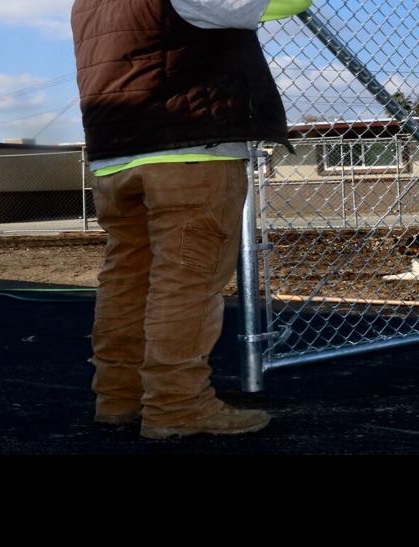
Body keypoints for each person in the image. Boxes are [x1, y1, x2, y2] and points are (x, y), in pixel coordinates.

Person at [72, 0, 308, 439]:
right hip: (189, 148)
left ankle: (118, 396)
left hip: (114, 155)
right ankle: (177, 404)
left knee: (126, 280)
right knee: (187, 282)